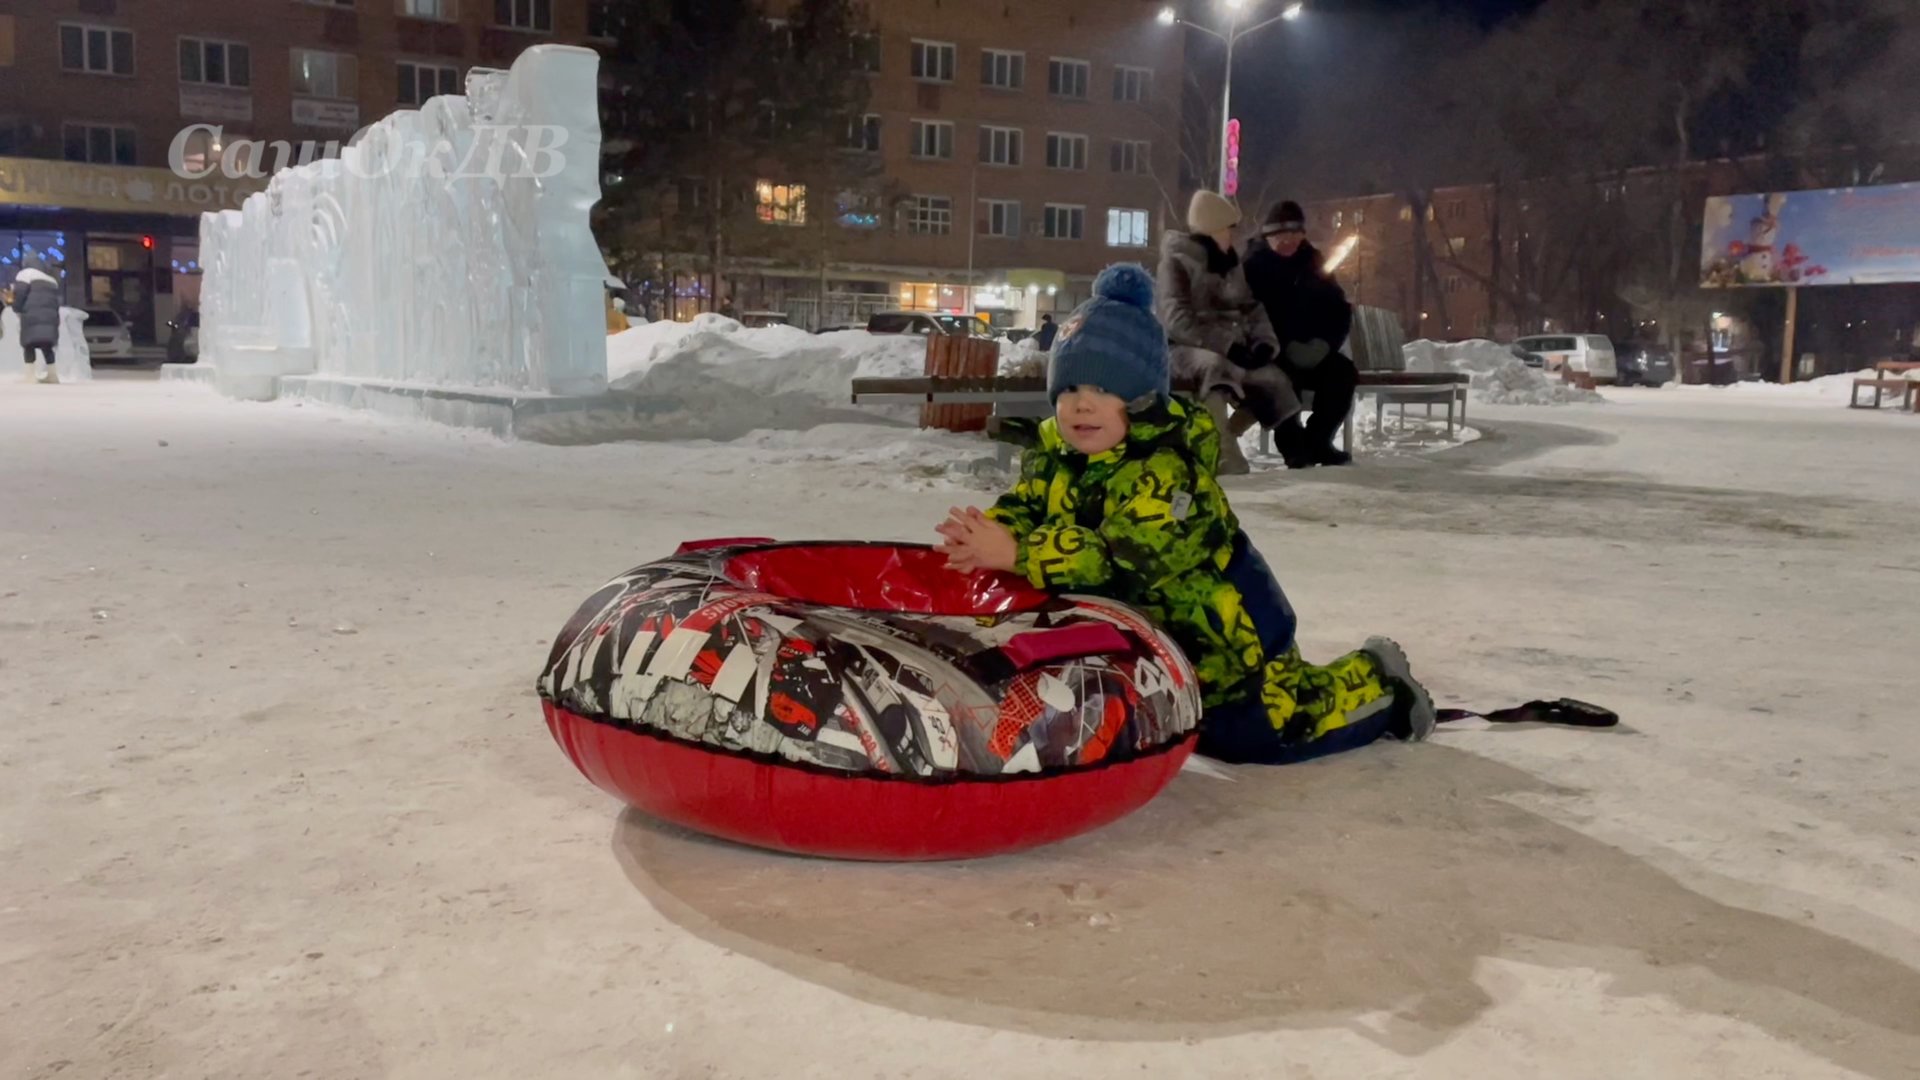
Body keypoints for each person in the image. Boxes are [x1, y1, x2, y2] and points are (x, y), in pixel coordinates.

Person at [935, 263, 1434, 765]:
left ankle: (1380, 683)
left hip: (1229, 633)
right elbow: (1028, 505)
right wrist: (990, 533)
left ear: (1143, 399)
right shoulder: (1057, 457)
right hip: (1164, 641)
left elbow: (1120, 558)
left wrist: (1020, 553)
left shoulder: (1168, 468)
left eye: (1104, 390)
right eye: (1068, 390)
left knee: (1268, 732)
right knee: (1194, 732)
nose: (1081, 405)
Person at [1157, 190, 1307, 474]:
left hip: (1229, 348)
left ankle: (1230, 433)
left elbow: (1250, 306)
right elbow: (1176, 319)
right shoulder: (1175, 262)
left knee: (1273, 379)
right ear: (1212, 229)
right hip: (1184, 348)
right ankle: (1223, 454)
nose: (1231, 235)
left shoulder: (1229, 263)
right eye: (1227, 228)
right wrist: (1227, 346)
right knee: (1214, 369)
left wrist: (1263, 342)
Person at [1244, 200, 1359, 467]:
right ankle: (1293, 446)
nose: (1288, 241)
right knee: (1283, 380)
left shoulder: (1313, 261)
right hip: (1272, 351)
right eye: (1281, 236)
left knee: (1342, 373)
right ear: (1268, 236)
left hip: (1314, 349)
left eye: (1294, 234)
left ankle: (1319, 441)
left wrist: (1325, 344)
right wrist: (1283, 345)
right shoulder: (1252, 266)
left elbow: (1338, 308)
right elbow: (1249, 316)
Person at [10, 261, 63, 385]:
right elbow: (55, 302)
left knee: (29, 345)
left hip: (31, 315)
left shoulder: (25, 274)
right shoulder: (51, 280)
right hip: (49, 317)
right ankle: (52, 375)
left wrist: (16, 308)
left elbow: (20, 294)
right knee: (47, 345)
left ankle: (30, 376)